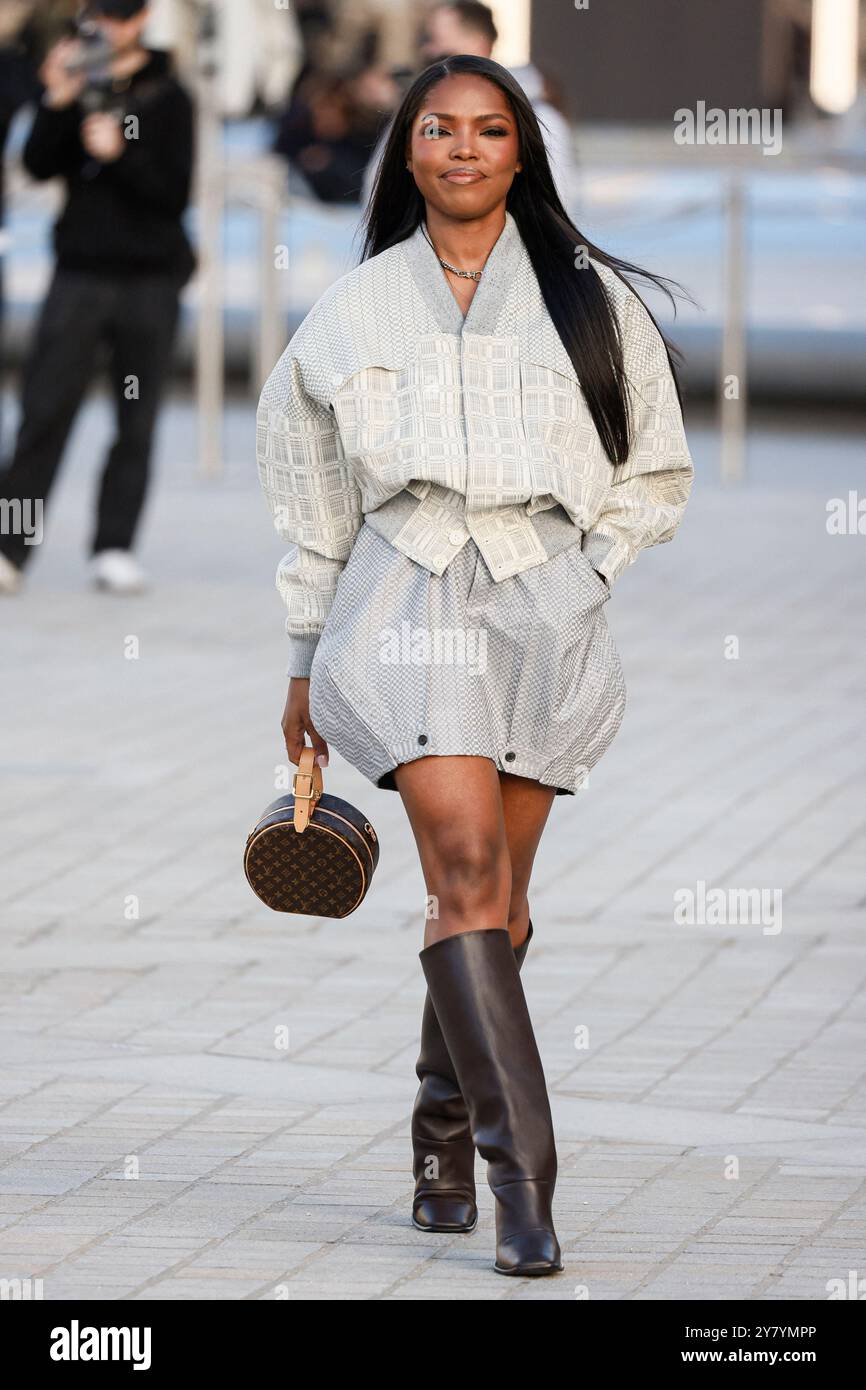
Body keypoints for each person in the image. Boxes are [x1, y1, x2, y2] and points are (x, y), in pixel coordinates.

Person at [256, 54, 693, 1277]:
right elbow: (311, 500)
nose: (460, 148)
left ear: (519, 151)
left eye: (486, 130)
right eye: (437, 129)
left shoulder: (589, 300)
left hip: (542, 603)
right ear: (406, 151)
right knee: (458, 867)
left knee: (491, 898)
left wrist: (587, 574)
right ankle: (525, 1187)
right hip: (402, 592)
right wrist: (302, 655)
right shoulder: (351, 311)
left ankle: (440, 1132)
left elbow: (655, 470)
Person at [0, 0, 194, 597]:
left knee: (134, 418)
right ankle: (9, 548)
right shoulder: (79, 79)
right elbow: (36, 164)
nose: (101, 28)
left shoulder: (168, 94)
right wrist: (57, 99)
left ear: (139, 20)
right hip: (79, 274)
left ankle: (114, 547)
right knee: (43, 412)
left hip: (149, 279)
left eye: (114, 16)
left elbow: (172, 193)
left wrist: (121, 153)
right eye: (93, 16)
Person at [361, 1, 575, 211]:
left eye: (435, 40)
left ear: (477, 45)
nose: (428, 51)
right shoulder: (416, 113)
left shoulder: (536, 117)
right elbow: (378, 196)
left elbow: (552, 211)